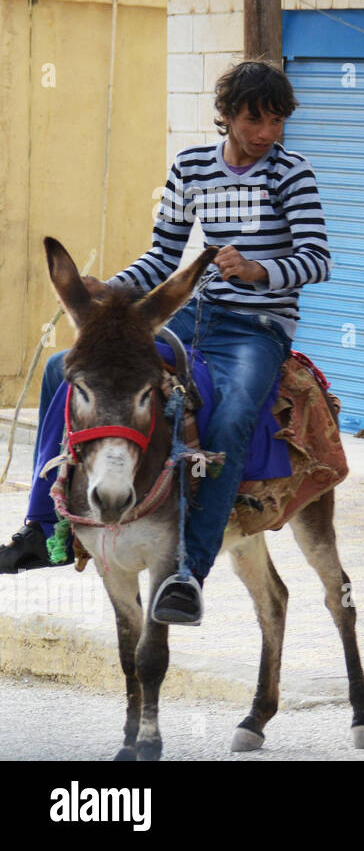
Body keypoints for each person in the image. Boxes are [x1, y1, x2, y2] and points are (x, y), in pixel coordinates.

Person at [0, 60, 332, 627]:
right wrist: (111, 287)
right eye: (255, 120)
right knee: (67, 369)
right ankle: (44, 527)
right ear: (226, 116)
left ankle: (186, 573)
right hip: (190, 316)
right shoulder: (191, 167)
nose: (267, 133)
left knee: (228, 423)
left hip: (258, 328)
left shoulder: (291, 173)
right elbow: (163, 255)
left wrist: (256, 270)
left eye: (276, 121)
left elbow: (317, 261)